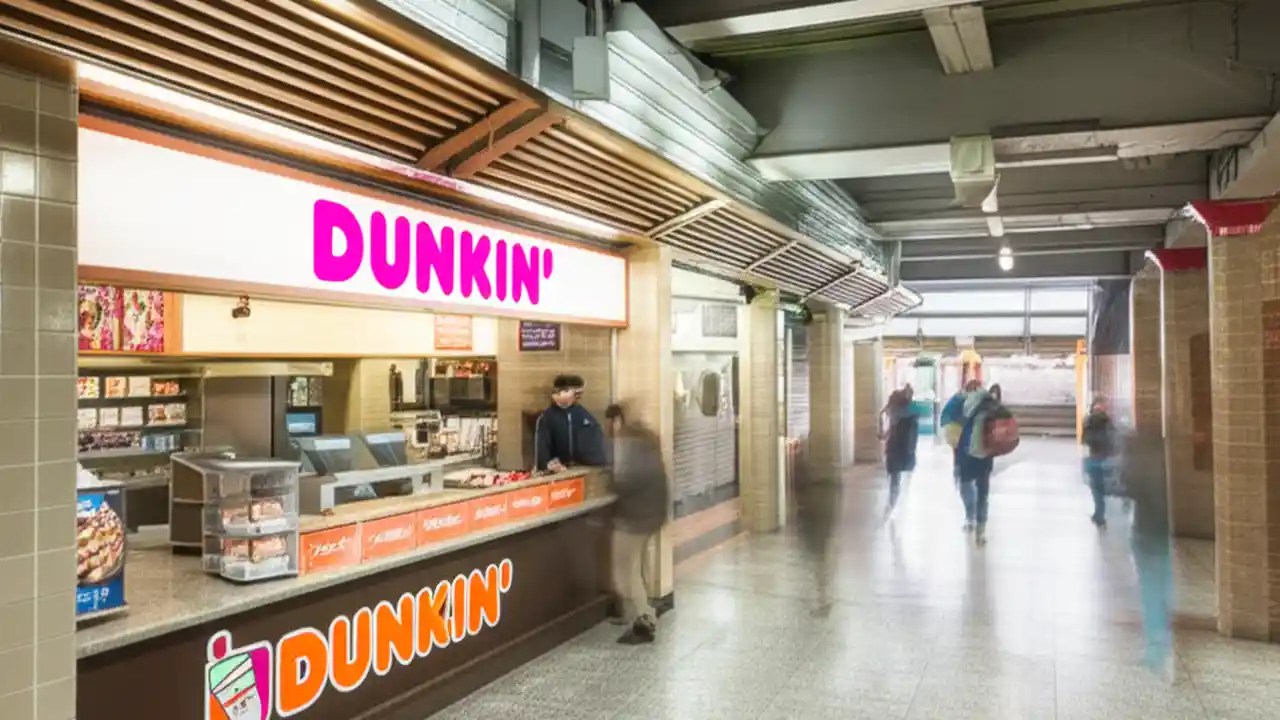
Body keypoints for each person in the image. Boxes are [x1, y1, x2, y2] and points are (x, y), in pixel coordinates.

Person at [605, 404, 669, 643]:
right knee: (638, 568)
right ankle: (639, 613)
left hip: (633, 518)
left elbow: (627, 480)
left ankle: (645, 617)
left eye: (610, 422)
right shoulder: (648, 441)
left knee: (623, 573)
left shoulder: (628, 445)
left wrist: (611, 485)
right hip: (651, 515)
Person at [1117, 428, 1174, 671]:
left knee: (1151, 588)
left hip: (1147, 531)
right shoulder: (1167, 465)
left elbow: (1126, 488)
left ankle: (1157, 643)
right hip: (1161, 531)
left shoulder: (1138, 467)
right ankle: (1160, 638)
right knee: (1160, 585)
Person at [533, 374, 607, 472]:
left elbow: (598, 450)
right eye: (558, 391)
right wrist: (547, 466)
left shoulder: (586, 418)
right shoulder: (546, 418)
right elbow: (542, 452)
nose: (559, 394)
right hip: (557, 474)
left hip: (584, 471)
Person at [956, 387, 1000, 545]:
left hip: (968, 457)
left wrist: (958, 461)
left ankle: (970, 517)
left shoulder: (969, 413)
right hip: (985, 459)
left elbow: (961, 438)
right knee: (982, 496)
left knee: (965, 487)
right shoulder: (994, 414)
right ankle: (980, 532)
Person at [1081, 398, 1117, 527]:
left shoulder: (1092, 421)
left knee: (1098, 489)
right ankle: (1099, 514)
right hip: (1100, 457)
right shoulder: (1104, 421)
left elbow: (1086, 439)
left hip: (1097, 458)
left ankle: (1099, 514)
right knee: (1099, 489)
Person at [883, 388, 919, 515]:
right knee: (900, 482)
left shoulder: (897, 415)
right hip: (902, 453)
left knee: (895, 480)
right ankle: (895, 506)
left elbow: (892, 432)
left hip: (895, 451)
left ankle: (893, 506)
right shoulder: (910, 417)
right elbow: (912, 439)